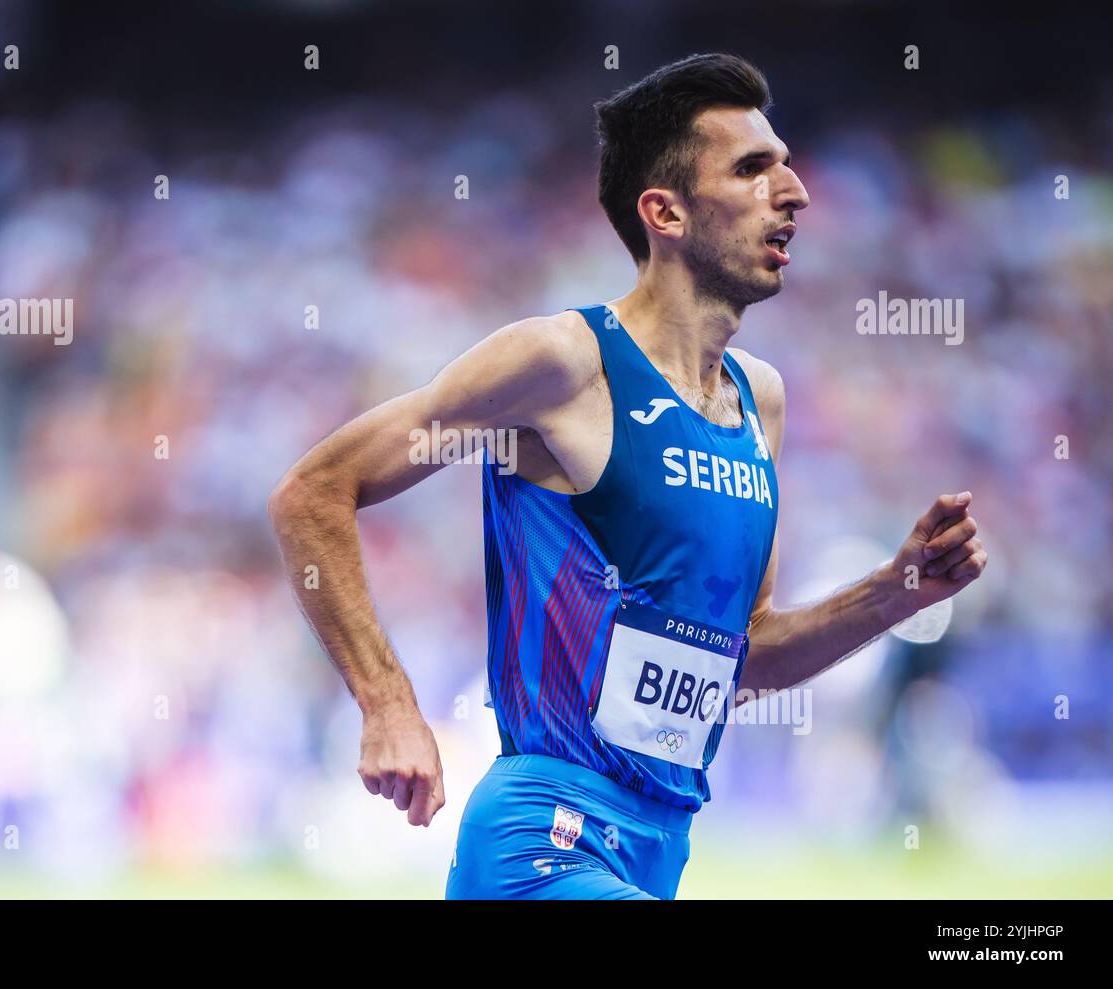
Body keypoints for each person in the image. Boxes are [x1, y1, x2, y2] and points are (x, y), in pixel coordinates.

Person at [268, 52, 988, 899]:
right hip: (545, 839)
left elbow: (745, 658)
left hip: (659, 849)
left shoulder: (761, 401)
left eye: (787, 168)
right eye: (754, 170)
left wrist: (895, 592)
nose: (793, 193)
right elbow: (313, 492)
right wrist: (387, 702)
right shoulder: (563, 363)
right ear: (665, 212)